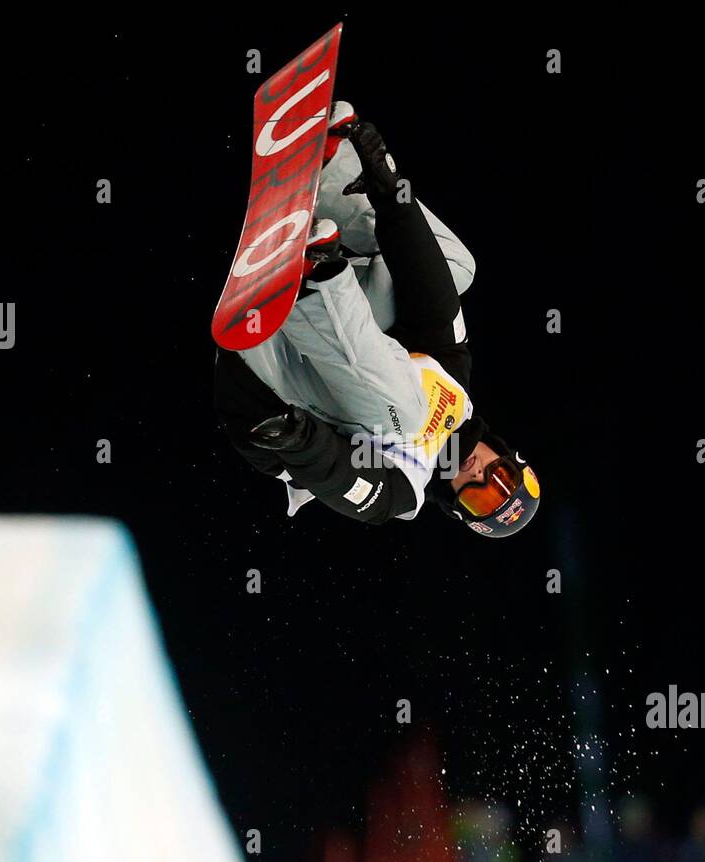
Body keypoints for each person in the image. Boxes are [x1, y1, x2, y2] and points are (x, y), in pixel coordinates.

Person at [213, 104, 540, 537]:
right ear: (502, 453)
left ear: (455, 505)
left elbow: (341, 478)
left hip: (268, 386)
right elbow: (432, 298)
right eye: (498, 478)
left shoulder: (404, 492)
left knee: (407, 412)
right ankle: (329, 175)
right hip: (316, 334)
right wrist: (391, 194)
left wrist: (300, 440)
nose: (478, 474)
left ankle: (316, 277)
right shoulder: (454, 383)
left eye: (477, 495)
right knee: (456, 269)